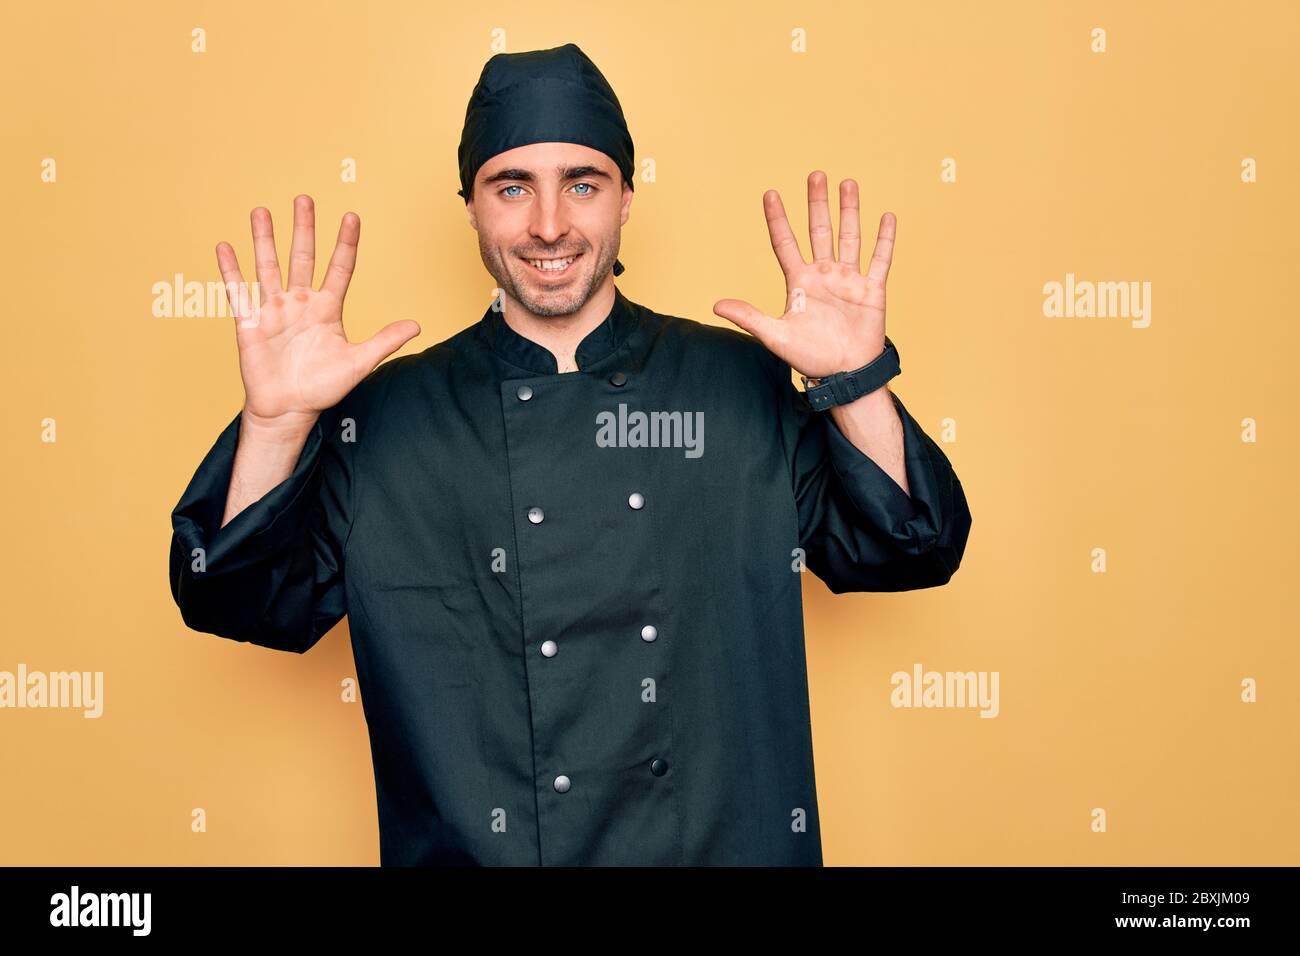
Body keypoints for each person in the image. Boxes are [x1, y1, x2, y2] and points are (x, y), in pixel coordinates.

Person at [169, 42, 972, 866]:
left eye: (582, 184)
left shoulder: (739, 387)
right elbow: (234, 600)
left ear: (627, 197)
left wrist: (855, 381)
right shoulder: (384, 419)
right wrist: (273, 425)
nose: (548, 224)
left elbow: (910, 545)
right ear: (471, 207)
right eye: (511, 187)